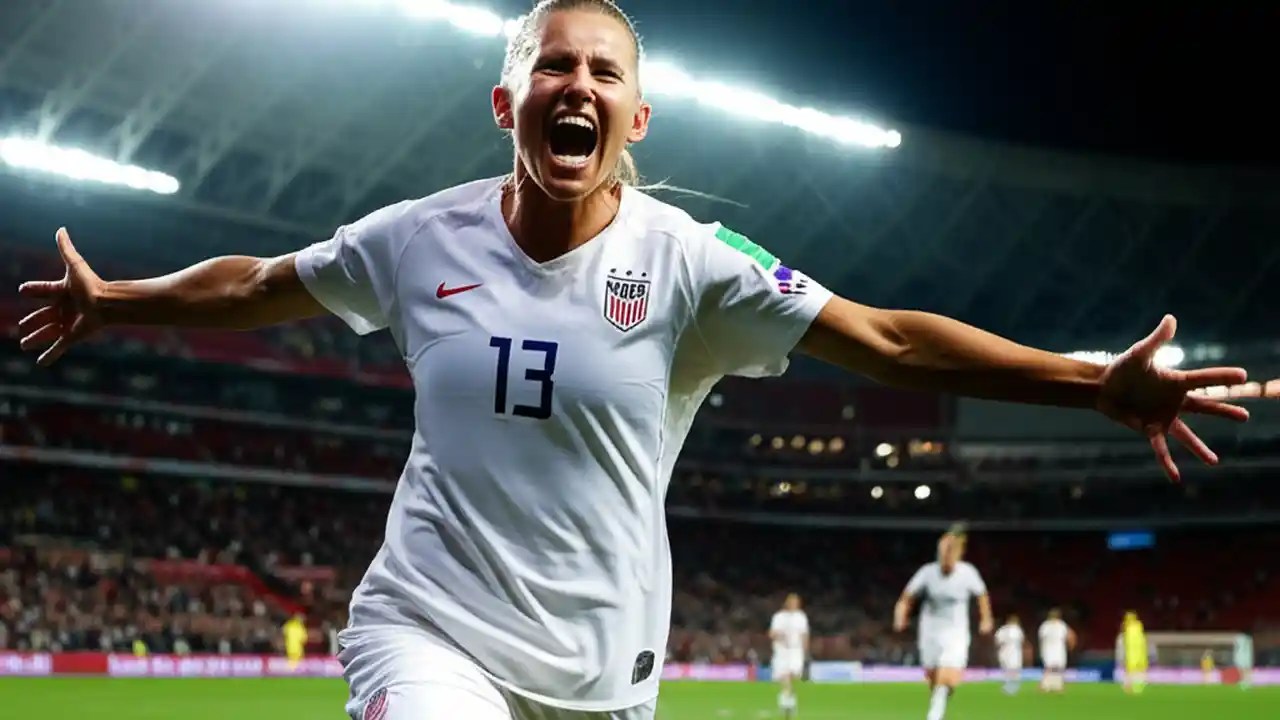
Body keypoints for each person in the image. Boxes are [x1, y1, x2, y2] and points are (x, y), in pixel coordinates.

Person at [15, 0, 1260, 717]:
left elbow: (882, 338)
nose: (577, 82)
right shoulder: (413, 240)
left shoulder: (693, 262)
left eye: (603, 70)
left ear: (634, 116)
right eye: (551, 63)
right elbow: (260, 283)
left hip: (604, 667)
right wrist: (116, 299)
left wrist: (1090, 378)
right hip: (427, 629)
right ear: (507, 105)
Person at [894, 528, 994, 720]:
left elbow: (982, 596)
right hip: (930, 631)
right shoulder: (927, 572)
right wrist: (901, 614)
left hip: (955, 632)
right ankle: (940, 700)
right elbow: (907, 597)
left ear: (957, 553)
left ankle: (934, 714)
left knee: (947, 675)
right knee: (934, 677)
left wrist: (986, 619)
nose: (946, 556)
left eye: (950, 551)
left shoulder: (968, 573)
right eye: (943, 551)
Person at [768, 593, 809, 717]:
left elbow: (804, 634)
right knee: (784, 675)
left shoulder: (801, 617)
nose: (794, 604)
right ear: (787, 603)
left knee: (794, 675)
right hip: (782, 651)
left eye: (796, 602)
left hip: (796, 650)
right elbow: (771, 634)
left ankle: (786, 696)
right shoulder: (779, 617)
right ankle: (787, 701)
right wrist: (779, 635)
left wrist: (805, 649)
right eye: (792, 602)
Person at [1037, 608, 1076, 693]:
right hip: (1052, 649)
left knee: (1054, 667)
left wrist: (1070, 645)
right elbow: (1071, 636)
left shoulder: (1049, 625)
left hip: (1054, 649)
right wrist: (1071, 645)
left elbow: (1040, 638)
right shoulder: (1055, 625)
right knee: (1052, 667)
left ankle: (1054, 686)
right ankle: (1046, 685)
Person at [994, 614, 1026, 695]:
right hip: (1014, 652)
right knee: (1014, 669)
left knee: (1006, 669)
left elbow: (997, 641)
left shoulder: (1002, 629)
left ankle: (1007, 687)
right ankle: (1012, 688)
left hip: (1003, 651)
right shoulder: (1017, 629)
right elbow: (1022, 640)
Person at [1121, 611, 1149, 694]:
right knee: (1134, 669)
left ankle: (1131, 685)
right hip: (1136, 652)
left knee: (1133, 670)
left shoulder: (1132, 626)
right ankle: (1130, 686)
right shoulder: (1136, 626)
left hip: (1134, 652)